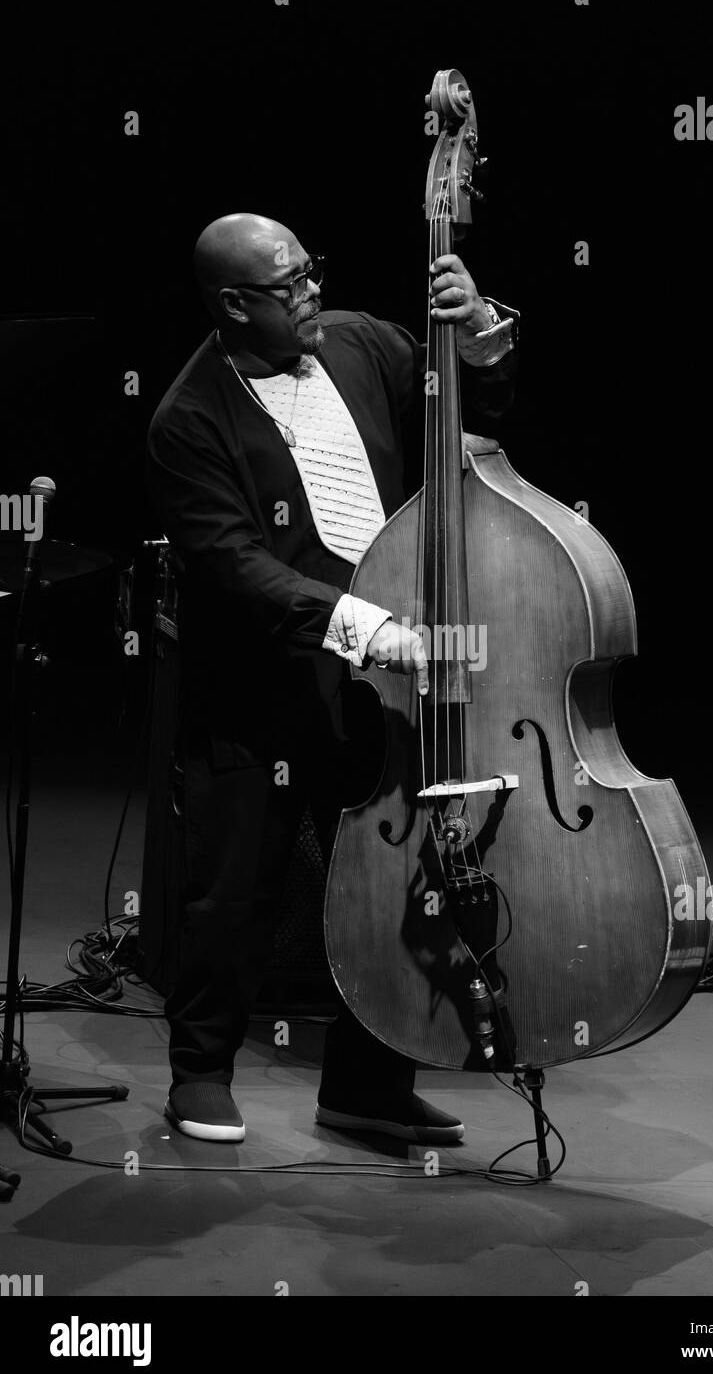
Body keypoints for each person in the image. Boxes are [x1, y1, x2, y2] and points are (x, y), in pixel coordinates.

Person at [147, 212, 517, 1145]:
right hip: (259, 689)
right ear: (234, 303)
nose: (311, 290)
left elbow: (471, 410)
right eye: (289, 282)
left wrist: (476, 331)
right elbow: (237, 566)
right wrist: (373, 629)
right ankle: (198, 1075)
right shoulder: (188, 418)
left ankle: (364, 1085)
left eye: (312, 268)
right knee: (236, 890)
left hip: (373, 692)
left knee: (392, 885)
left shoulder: (358, 343)